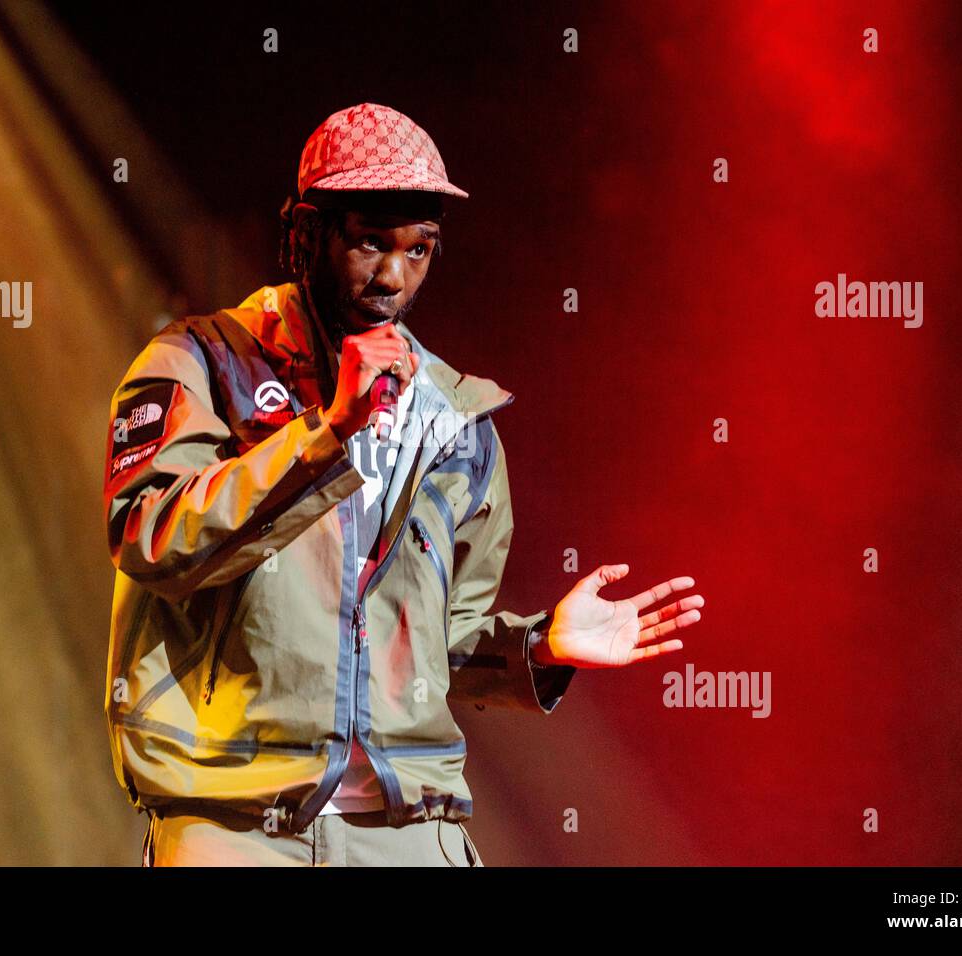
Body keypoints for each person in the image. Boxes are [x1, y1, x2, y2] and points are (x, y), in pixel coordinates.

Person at [102, 103, 705, 866]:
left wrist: (541, 648)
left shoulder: (456, 419)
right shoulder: (202, 364)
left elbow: (439, 647)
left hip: (408, 825)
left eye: (418, 249)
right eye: (368, 243)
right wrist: (328, 437)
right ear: (303, 235)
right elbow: (151, 539)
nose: (392, 275)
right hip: (237, 821)